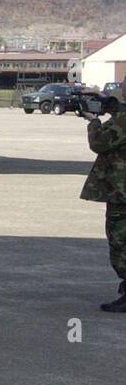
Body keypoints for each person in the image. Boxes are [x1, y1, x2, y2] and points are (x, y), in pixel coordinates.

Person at [80, 93, 126, 313]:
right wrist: (114, 107)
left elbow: (99, 143)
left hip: (122, 192)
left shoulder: (123, 119)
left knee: (120, 241)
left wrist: (93, 120)